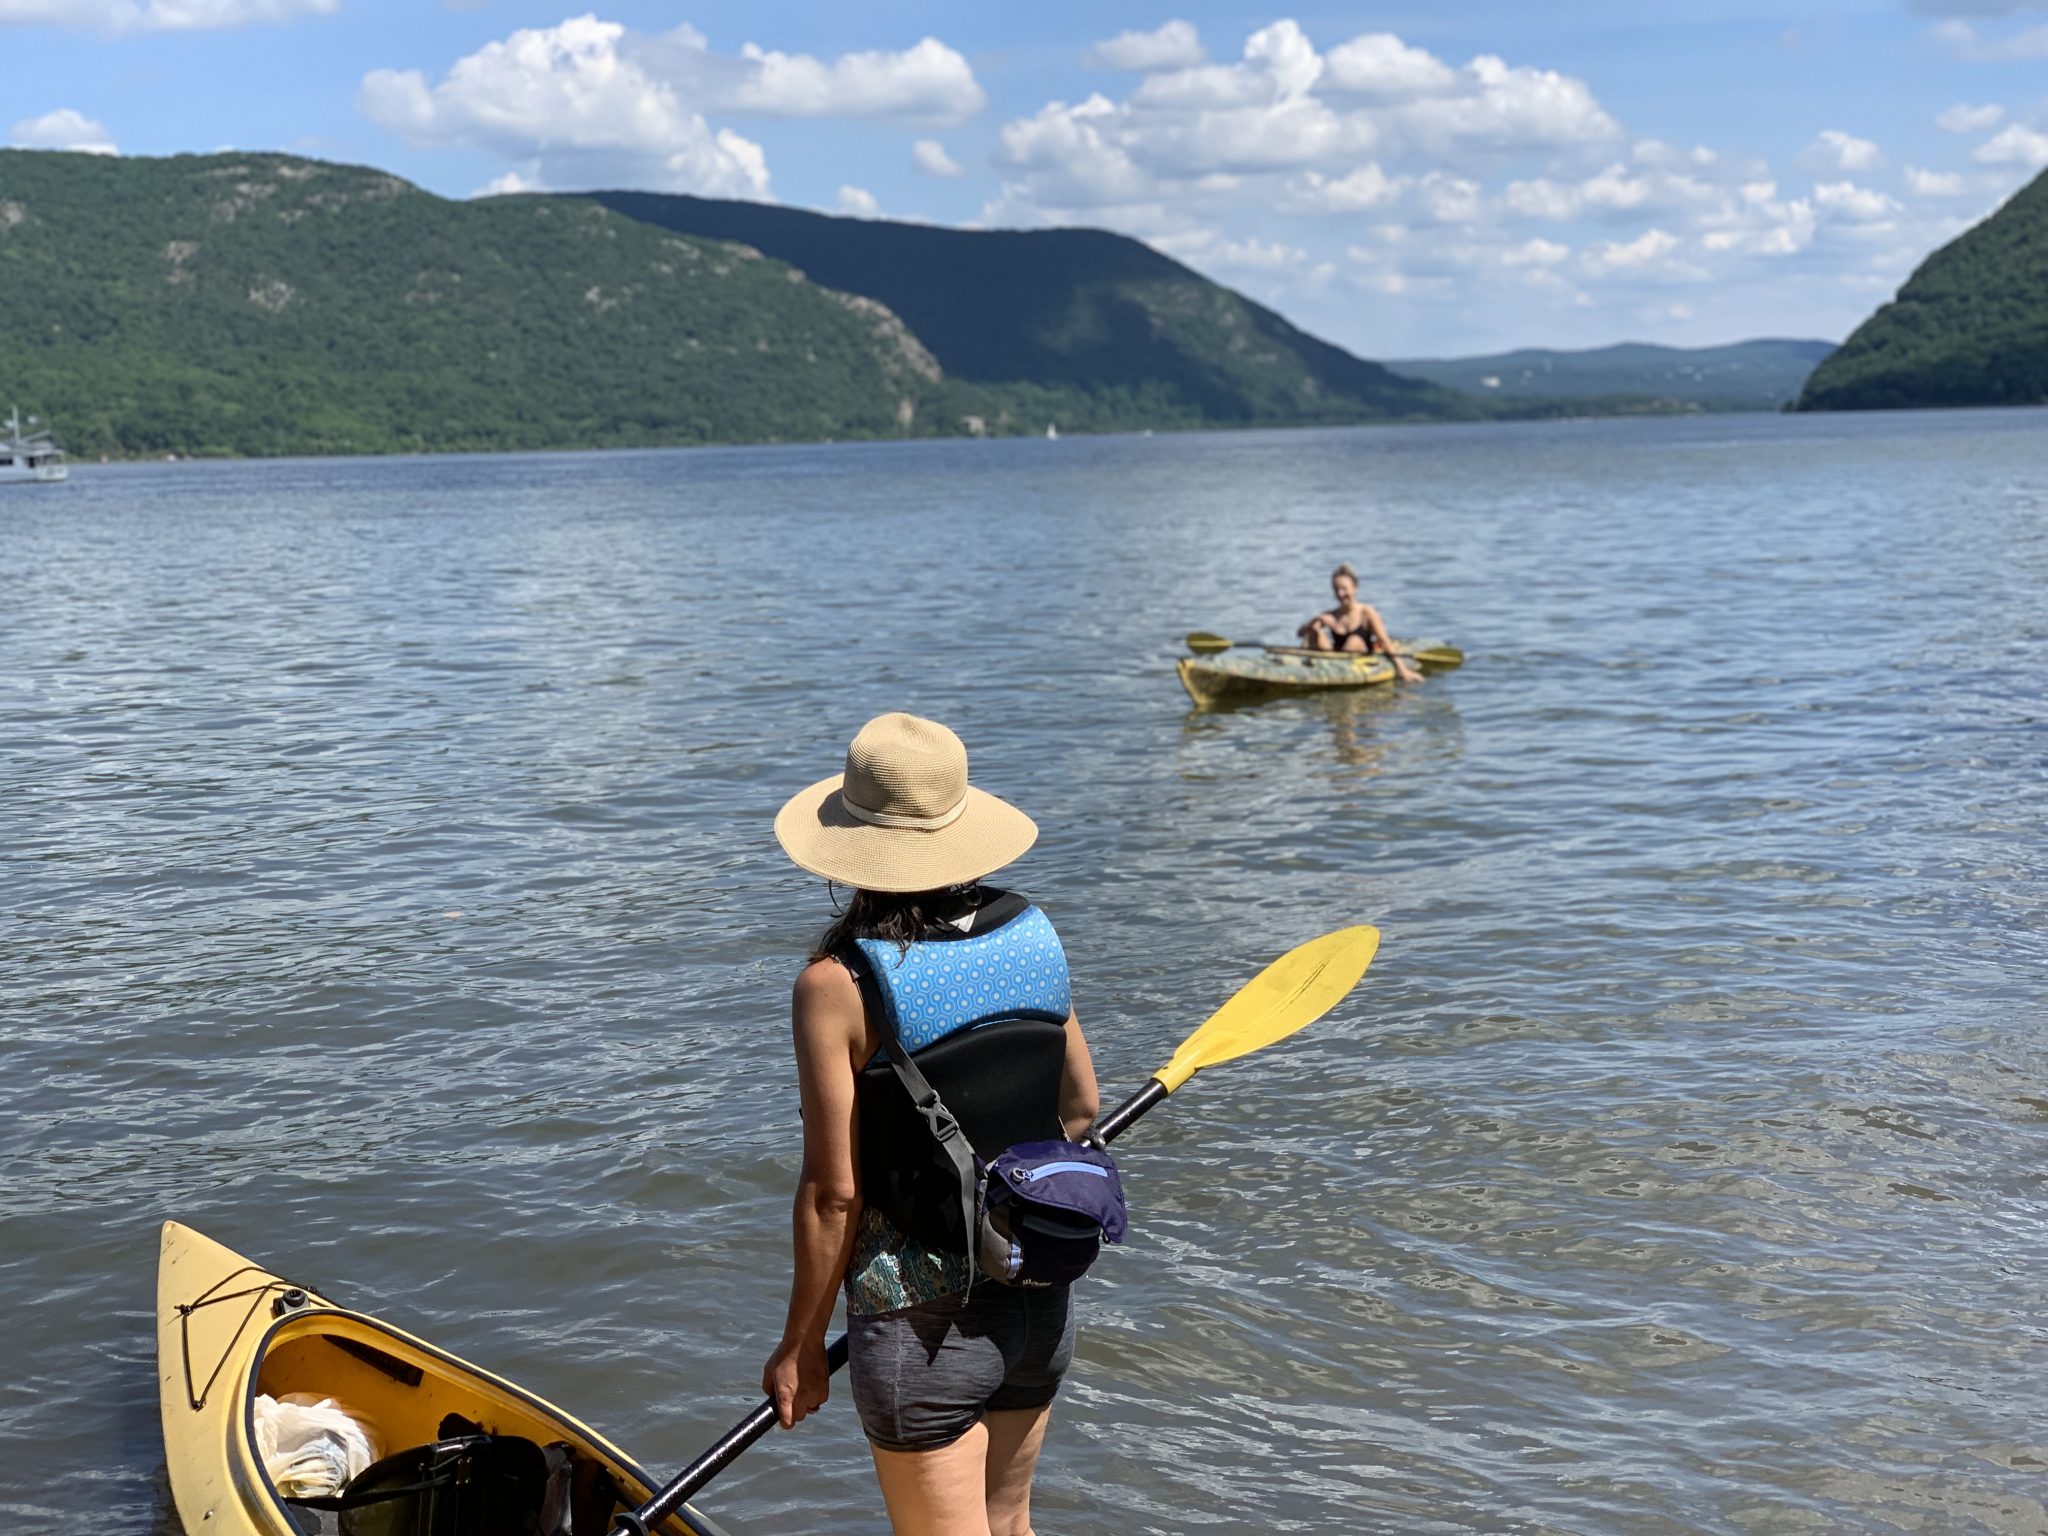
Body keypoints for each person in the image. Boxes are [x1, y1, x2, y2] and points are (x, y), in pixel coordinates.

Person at [763, 712, 1102, 1536]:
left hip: (921, 1332)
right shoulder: (1034, 932)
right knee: (1011, 1525)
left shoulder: (837, 983)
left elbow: (834, 1196)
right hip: (1036, 1291)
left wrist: (801, 1345)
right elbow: (1082, 1110)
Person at [1297, 562, 1423, 683]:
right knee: (1314, 633)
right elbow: (1300, 633)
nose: (1340, 594)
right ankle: (1301, 670)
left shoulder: (1366, 612)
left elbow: (1385, 641)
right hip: (1335, 658)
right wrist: (1314, 622)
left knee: (1354, 640)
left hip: (1359, 659)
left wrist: (1404, 671)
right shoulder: (1331, 615)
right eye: (1336, 590)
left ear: (1355, 588)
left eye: (1344, 589)